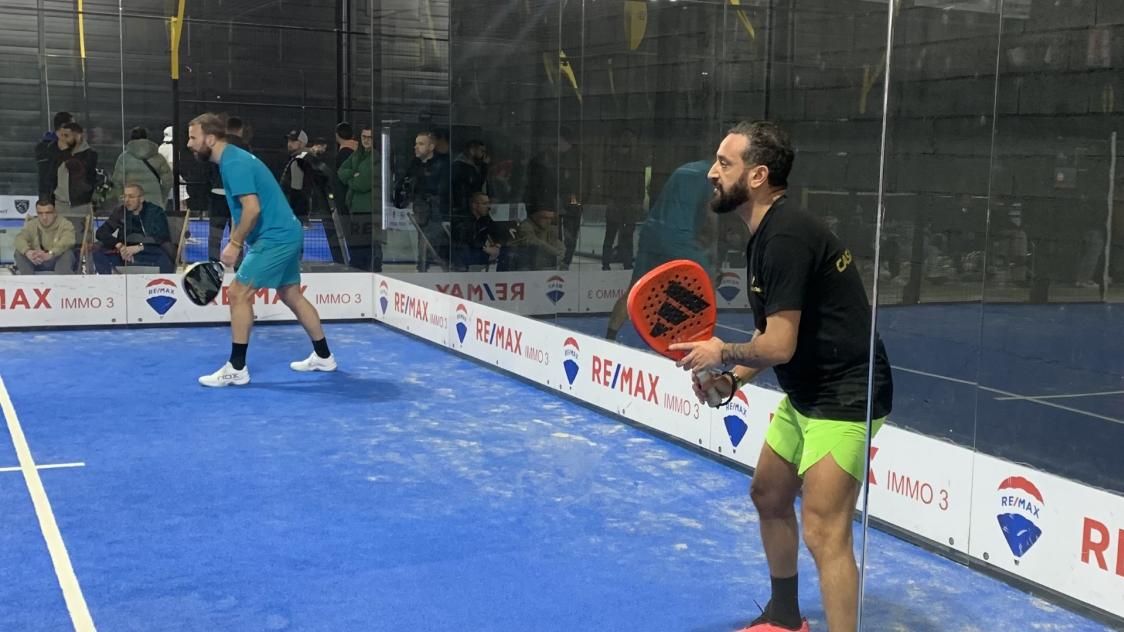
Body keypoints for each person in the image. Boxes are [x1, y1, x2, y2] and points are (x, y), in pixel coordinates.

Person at [669, 121, 893, 632]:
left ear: (758, 175)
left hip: (847, 393)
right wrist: (731, 379)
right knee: (769, 495)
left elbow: (778, 345)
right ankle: (786, 617)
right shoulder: (768, 233)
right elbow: (773, 334)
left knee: (824, 529)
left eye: (725, 163)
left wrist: (721, 353)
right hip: (807, 386)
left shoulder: (786, 236)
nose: (712, 172)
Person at [186, 113, 337, 387]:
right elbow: (241, 209)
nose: (188, 143)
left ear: (210, 138)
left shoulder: (233, 163)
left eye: (192, 137)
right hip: (285, 233)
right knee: (290, 294)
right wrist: (238, 240)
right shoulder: (233, 159)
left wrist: (233, 243)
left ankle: (237, 368)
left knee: (237, 293)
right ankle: (324, 357)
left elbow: (252, 209)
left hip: (276, 237)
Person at [604, 159, 718, 340]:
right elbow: (711, 213)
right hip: (679, 238)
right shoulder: (713, 175)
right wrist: (713, 247)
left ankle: (609, 338)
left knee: (633, 290)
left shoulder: (685, 168)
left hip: (651, 233)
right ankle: (694, 343)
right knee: (706, 286)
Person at [92, 183, 176, 274]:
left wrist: (138, 247)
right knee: (98, 249)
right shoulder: (121, 211)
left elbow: (161, 237)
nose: (127, 200)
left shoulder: (155, 212)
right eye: (124, 197)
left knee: (165, 253)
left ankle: (162, 284)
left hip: (149, 251)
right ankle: (110, 283)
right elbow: (101, 232)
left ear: (141, 199)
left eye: (131, 197)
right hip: (125, 252)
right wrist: (120, 246)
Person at [13, 200, 76, 274]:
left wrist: (51, 253)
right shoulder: (31, 224)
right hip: (37, 260)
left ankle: (61, 282)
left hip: (55, 259)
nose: (44, 217)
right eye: (40, 213)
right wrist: (28, 252)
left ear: (55, 212)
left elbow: (68, 240)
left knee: (67, 254)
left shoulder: (65, 224)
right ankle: (29, 281)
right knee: (18, 253)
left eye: (48, 213)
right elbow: (19, 239)